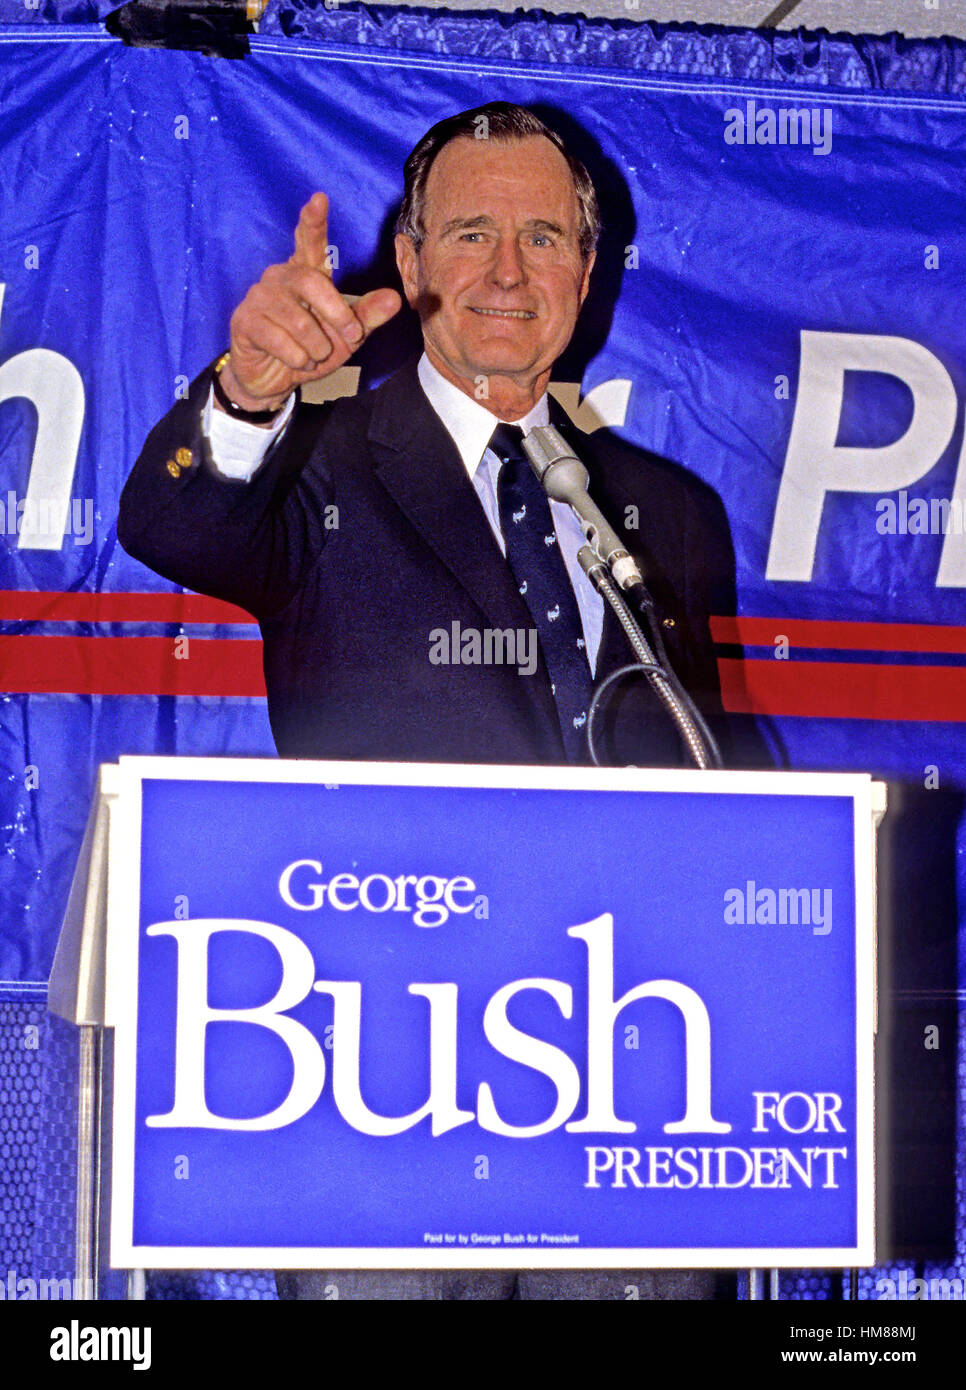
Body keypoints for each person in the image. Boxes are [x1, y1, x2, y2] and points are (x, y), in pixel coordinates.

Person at [119, 102, 744, 1298]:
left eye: (547, 239)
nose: (510, 272)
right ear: (408, 262)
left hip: (635, 1100)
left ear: (590, 269)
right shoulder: (317, 462)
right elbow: (171, 519)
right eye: (470, 233)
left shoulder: (666, 514)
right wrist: (249, 395)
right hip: (389, 1095)